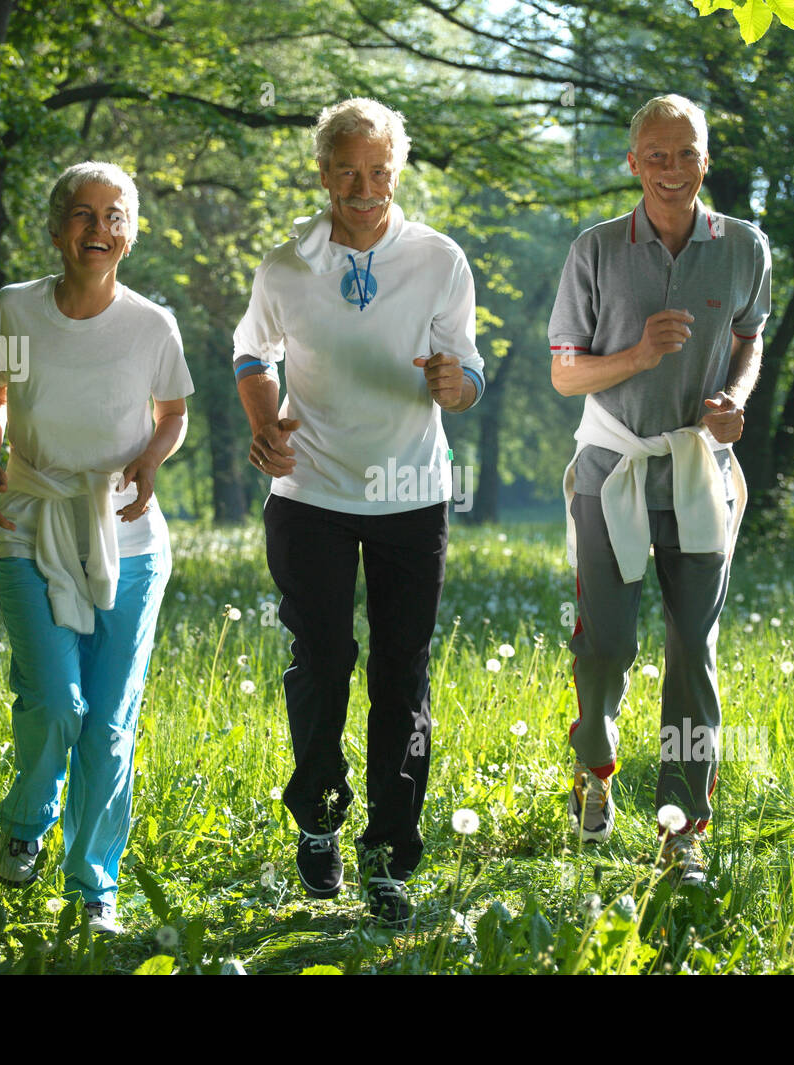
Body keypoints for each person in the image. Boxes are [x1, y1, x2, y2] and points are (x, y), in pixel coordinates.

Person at [233, 98, 484, 929]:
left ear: (397, 172)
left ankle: (391, 850)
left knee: (401, 674)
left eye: (379, 171)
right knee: (325, 656)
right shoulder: (285, 265)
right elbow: (251, 353)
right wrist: (265, 422)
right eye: (349, 171)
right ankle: (316, 813)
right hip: (310, 495)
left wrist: (456, 383)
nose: (365, 187)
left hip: (411, 496)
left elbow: (468, 369)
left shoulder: (440, 261)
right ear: (323, 172)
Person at [548, 94, 770, 885]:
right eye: (657, 154)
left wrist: (735, 397)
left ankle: (682, 827)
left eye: (687, 154)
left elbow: (750, 333)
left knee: (692, 653)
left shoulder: (744, 245)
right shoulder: (597, 248)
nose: (672, 170)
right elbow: (565, 369)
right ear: (634, 161)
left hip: (698, 470)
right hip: (613, 465)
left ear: (706, 159)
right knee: (607, 642)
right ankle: (596, 769)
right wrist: (639, 356)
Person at [0, 161, 193, 933]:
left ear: (131, 232)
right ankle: (28, 818)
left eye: (114, 216)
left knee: (107, 719)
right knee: (56, 701)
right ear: (55, 225)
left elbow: (172, 413)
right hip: (30, 523)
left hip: (128, 540)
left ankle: (93, 882)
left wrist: (153, 457)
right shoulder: (14, 310)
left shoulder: (151, 324)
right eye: (81, 214)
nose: (98, 230)